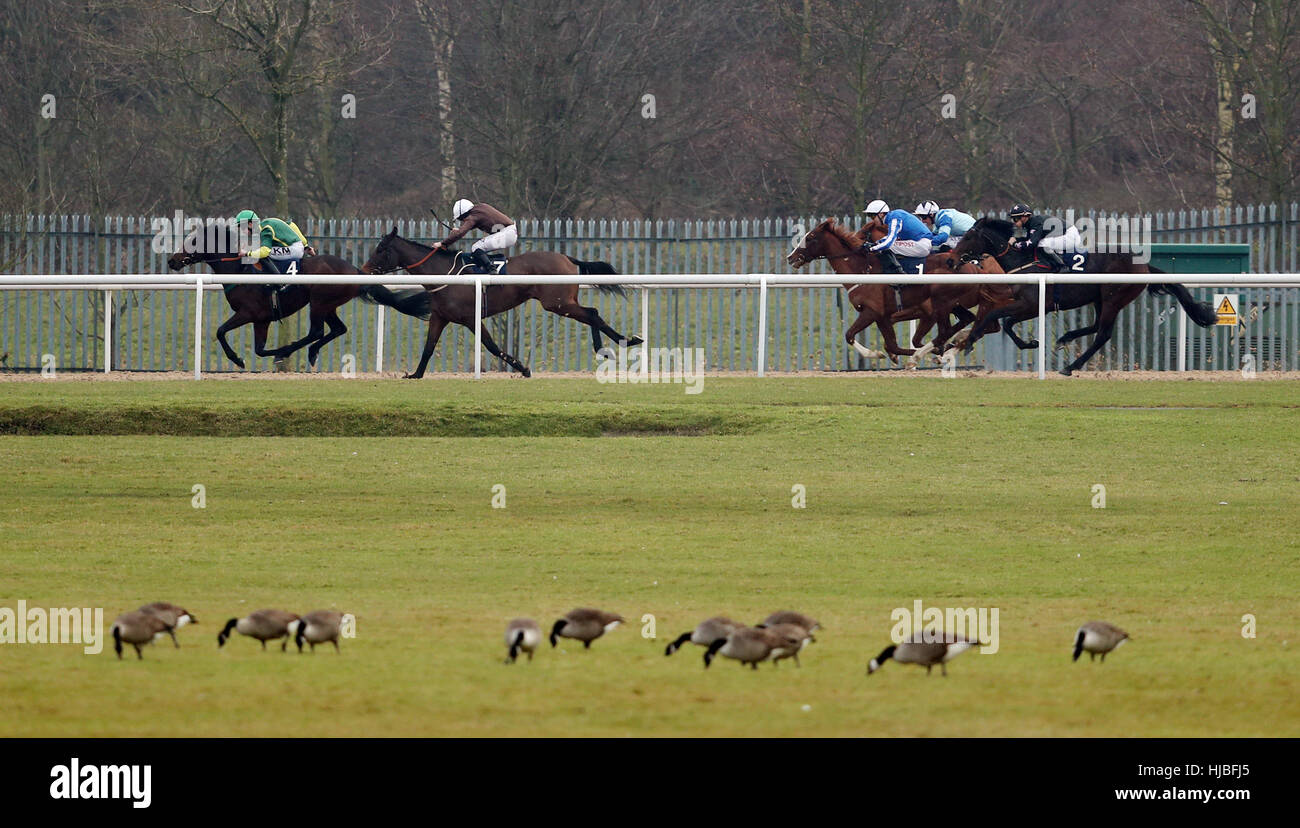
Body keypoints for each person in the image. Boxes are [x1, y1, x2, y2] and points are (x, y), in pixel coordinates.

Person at [432, 199, 517, 273]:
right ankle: (488, 266)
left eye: (461, 219)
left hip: (506, 234)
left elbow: (462, 232)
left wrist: (442, 243)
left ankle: (491, 269)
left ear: (464, 214)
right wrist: (459, 230)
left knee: (476, 247)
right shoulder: (480, 208)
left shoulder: (473, 216)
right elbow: (468, 227)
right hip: (509, 232)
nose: (463, 221)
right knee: (479, 251)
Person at [234, 210, 314, 288]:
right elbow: (291, 224)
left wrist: (247, 253)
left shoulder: (265, 230)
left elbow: (265, 252)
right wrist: (305, 245)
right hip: (296, 247)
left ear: (250, 224)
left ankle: (280, 282)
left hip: (294, 250)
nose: (242, 232)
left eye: (242, 228)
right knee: (260, 251)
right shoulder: (266, 223)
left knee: (262, 253)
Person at [859, 199, 936, 274]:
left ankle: (898, 274)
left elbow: (889, 242)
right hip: (920, 243)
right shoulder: (893, 217)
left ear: (881, 214)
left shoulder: (895, 217)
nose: (872, 220)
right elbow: (890, 237)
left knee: (889, 246)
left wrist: (872, 248)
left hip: (922, 245)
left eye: (872, 216)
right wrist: (877, 243)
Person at [1007, 203, 1065, 272]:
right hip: (1061, 234)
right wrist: (1017, 239)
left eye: (1015, 219)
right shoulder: (1031, 223)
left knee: (1042, 243)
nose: (1014, 222)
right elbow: (1029, 239)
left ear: (1023, 217)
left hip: (1069, 235)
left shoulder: (1036, 223)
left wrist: (1014, 244)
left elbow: (1031, 243)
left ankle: (1062, 266)